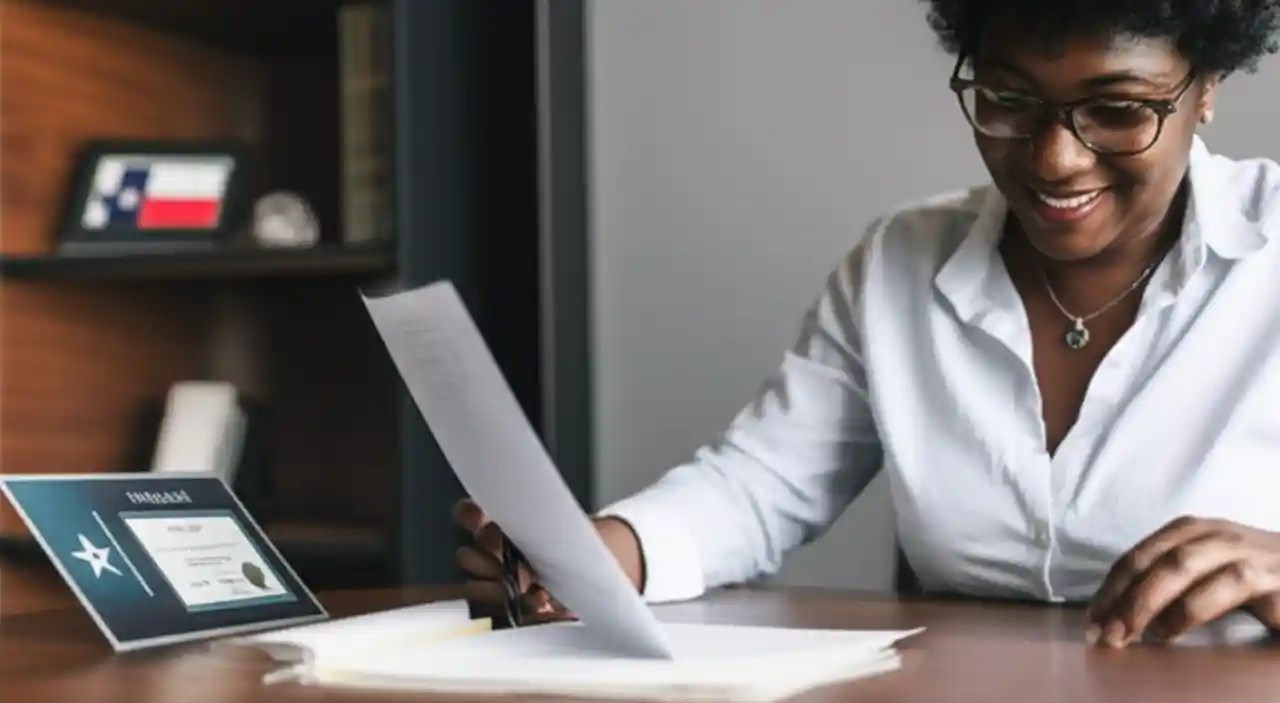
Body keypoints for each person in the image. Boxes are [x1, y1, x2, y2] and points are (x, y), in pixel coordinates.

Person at [456, 0, 1280, 649]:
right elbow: (761, 486)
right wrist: (595, 558)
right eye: (1008, 100)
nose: (1054, 159)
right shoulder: (902, 259)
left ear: (1204, 88)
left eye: (1118, 109)